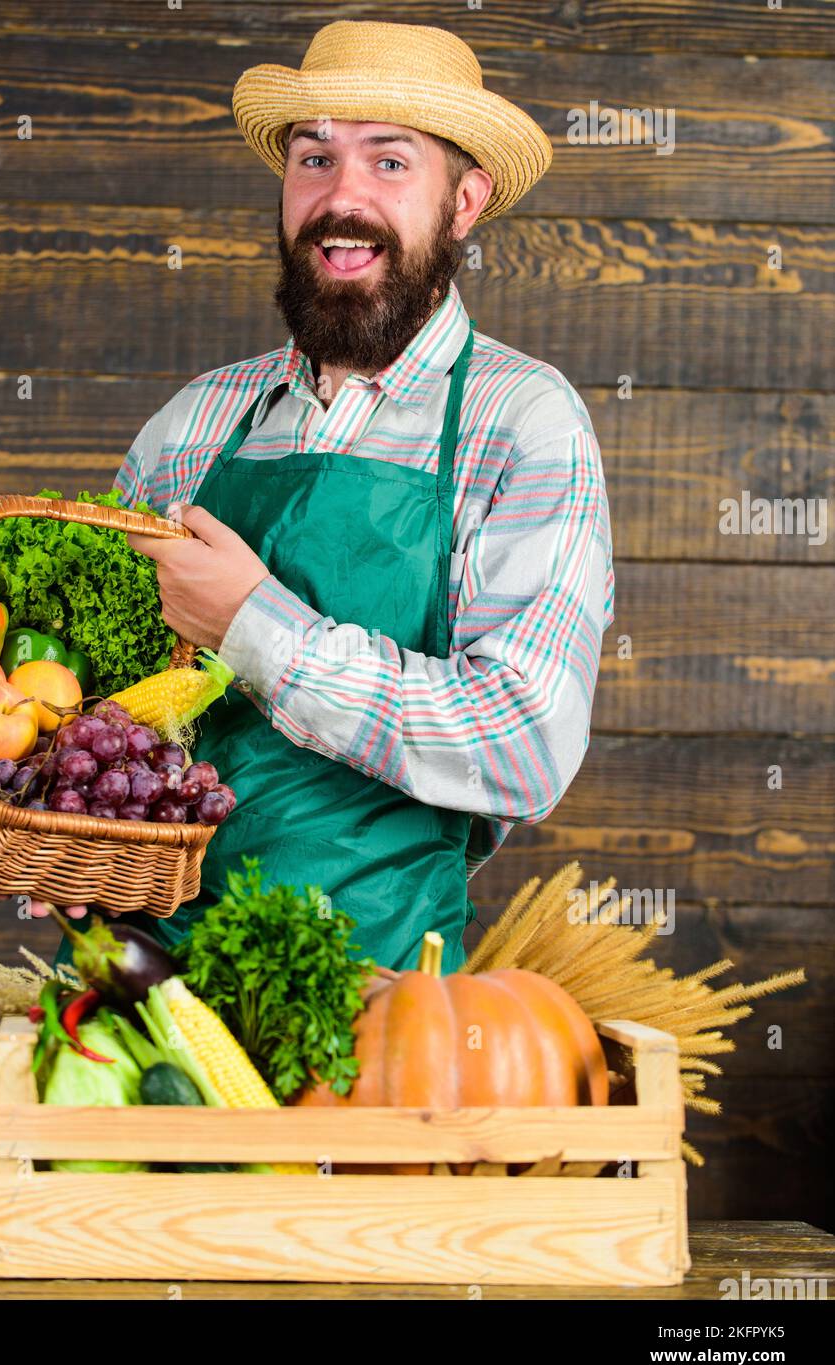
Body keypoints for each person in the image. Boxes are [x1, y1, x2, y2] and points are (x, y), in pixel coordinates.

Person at [41, 20, 614, 974]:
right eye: (315, 158)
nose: (341, 199)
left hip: (379, 999)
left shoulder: (524, 422)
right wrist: (53, 813)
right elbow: (89, 694)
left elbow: (523, 743)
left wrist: (255, 627)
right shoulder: (195, 423)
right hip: (139, 983)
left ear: (464, 201)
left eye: (390, 162)